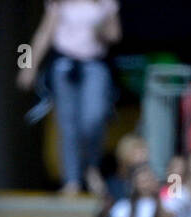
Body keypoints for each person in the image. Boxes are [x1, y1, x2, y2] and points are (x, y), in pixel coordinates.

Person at [18, 0, 121, 197]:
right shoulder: (60, 3)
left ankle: (92, 166)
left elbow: (115, 35)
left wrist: (101, 30)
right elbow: (43, 35)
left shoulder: (105, 3)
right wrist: (28, 65)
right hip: (64, 66)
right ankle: (71, 180)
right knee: (67, 125)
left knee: (93, 118)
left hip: (93, 66)